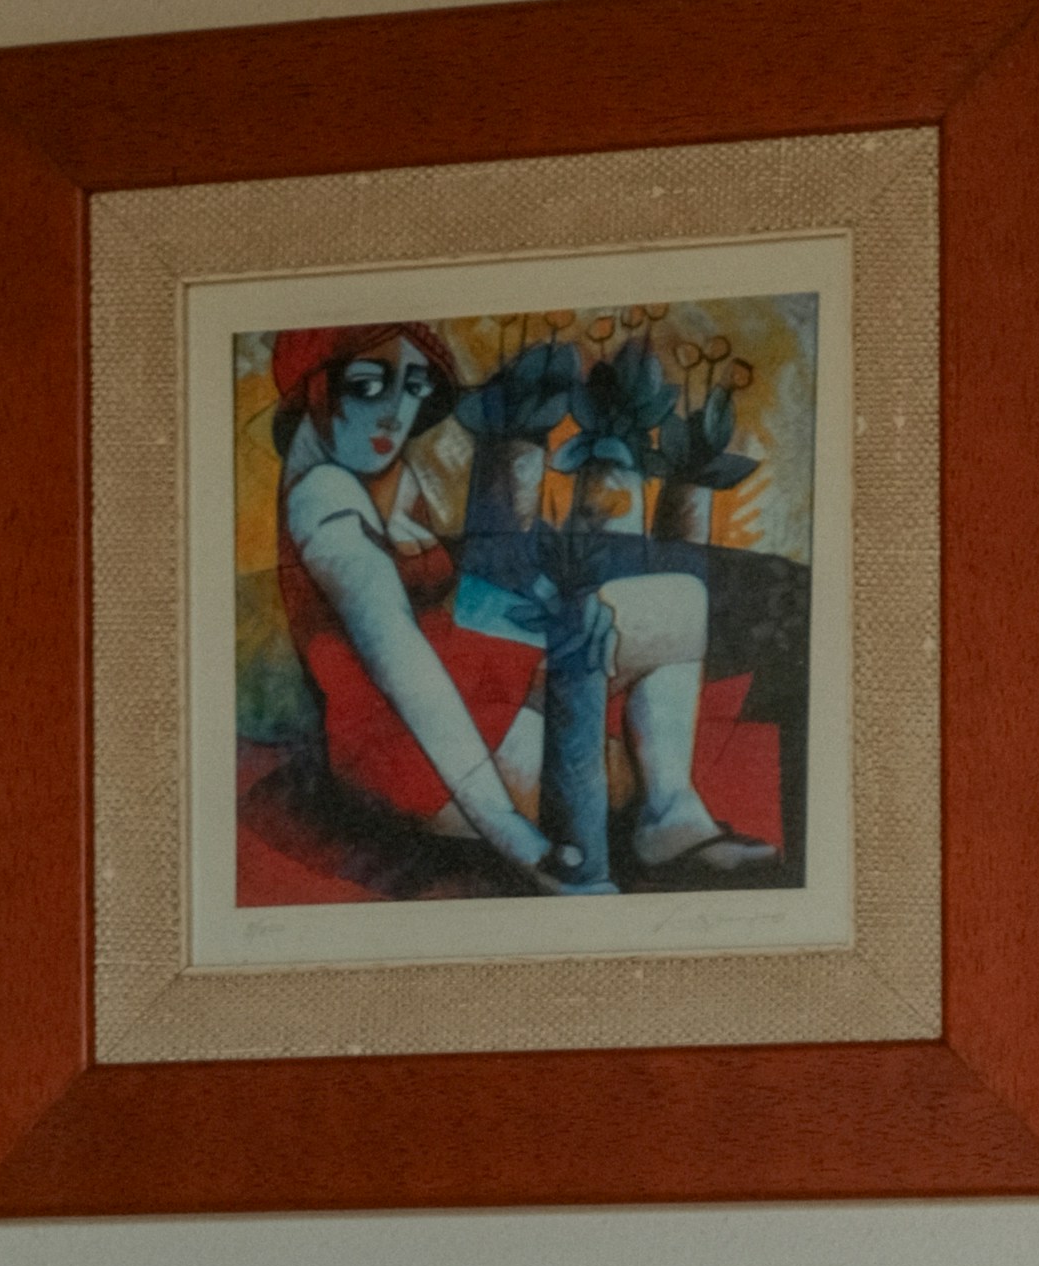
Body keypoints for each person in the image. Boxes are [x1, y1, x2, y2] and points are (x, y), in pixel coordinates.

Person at [268, 325, 772, 887]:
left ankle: (671, 815)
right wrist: (513, 834)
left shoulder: (377, 475)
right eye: (367, 386)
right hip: (410, 740)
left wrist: (546, 621)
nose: (395, 412)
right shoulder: (325, 496)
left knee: (680, 601)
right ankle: (660, 812)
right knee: (596, 770)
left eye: (413, 387)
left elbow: (457, 612)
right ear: (313, 388)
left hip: (468, 684)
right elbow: (402, 662)